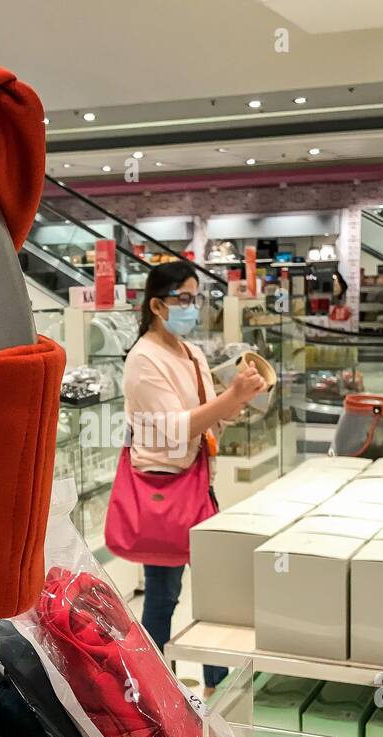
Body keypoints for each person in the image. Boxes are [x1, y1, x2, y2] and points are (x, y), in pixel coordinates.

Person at [123, 261, 265, 692]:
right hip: (163, 488)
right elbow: (178, 427)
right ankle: (154, 689)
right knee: (164, 594)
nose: (192, 307)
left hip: (199, 482)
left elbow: (208, 420)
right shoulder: (143, 359)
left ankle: (215, 685)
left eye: (195, 298)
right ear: (157, 306)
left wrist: (238, 398)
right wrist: (232, 396)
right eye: (183, 298)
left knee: (214, 588)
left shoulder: (192, 353)